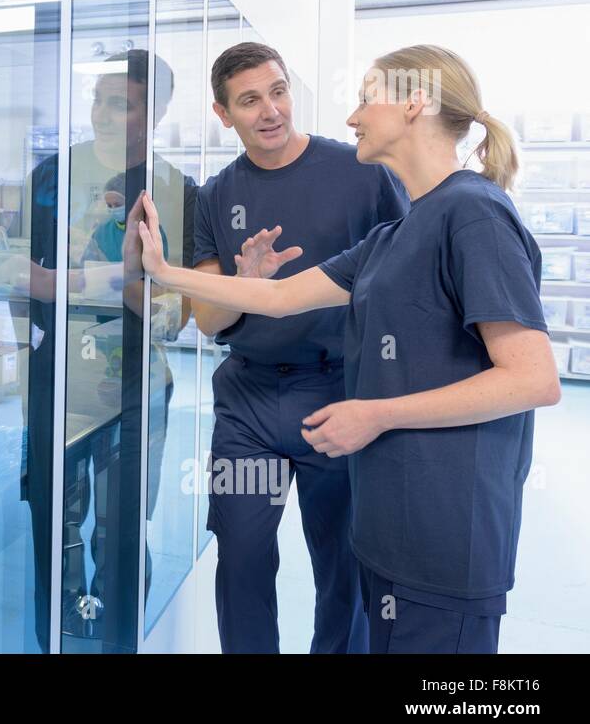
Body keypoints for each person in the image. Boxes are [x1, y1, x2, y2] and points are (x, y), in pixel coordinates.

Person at [134, 45, 560, 654]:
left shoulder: (471, 214)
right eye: (250, 99)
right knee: (268, 562)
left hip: (439, 511)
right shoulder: (399, 232)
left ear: (414, 104)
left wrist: (376, 412)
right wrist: (167, 273)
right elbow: (281, 299)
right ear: (224, 113)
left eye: (365, 98)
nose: (352, 116)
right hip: (376, 482)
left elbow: (533, 379)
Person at [187, 41, 409, 654]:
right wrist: (245, 283)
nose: (270, 110)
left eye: (278, 91)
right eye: (250, 100)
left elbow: (409, 268)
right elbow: (208, 319)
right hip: (248, 402)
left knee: (341, 560)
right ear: (222, 113)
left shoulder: (363, 172)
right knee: (241, 557)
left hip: (337, 391)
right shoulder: (213, 196)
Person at [26, 49, 196, 651]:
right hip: (59, 380)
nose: (101, 113)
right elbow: (22, 276)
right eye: (98, 99)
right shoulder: (51, 176)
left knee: (122, 530)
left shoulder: (176, 189)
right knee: (54, 523)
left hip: (134, 384)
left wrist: (122, 286)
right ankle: (60, 635)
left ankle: (118, 639)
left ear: (156, 112)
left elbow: (173, 313)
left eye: (120, 103)